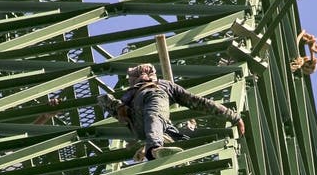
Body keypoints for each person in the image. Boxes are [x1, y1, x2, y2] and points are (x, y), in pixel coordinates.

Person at [98, 63, 245, 161]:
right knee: (155, 114)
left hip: (139, 128)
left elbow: (121, 113)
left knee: (178, 137)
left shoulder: (130, 93)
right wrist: (232, 116)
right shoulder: (162, 86)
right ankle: (154, 148)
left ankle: (152, 146)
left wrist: (113, 105)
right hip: (149, 109)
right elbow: (198, 102)